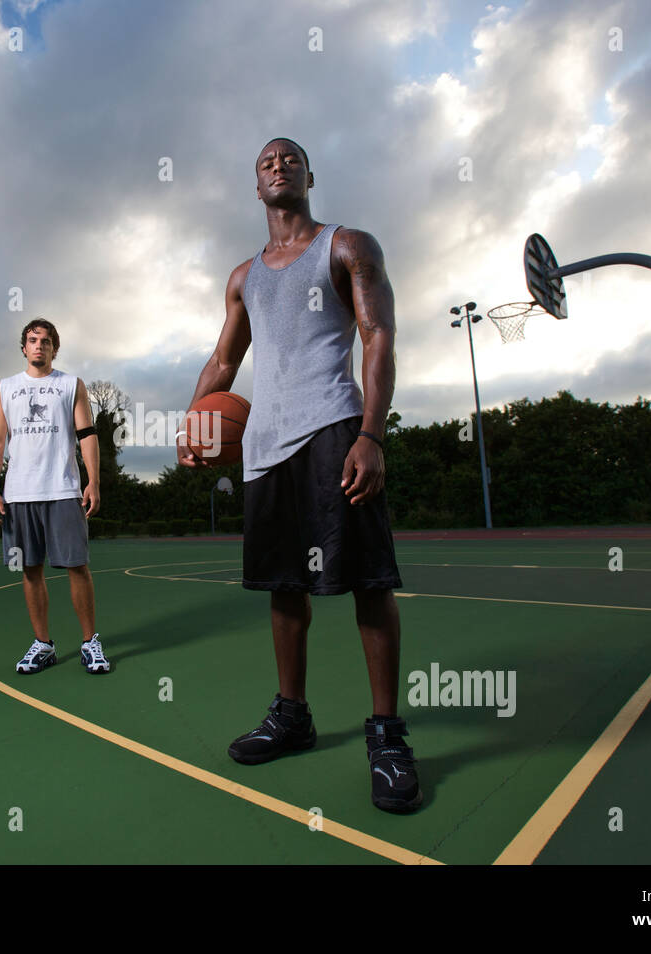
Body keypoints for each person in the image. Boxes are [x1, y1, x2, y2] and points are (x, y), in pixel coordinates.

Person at [177, 138, 418, 812]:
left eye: (290, 159)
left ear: (309, 177)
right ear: (256, 187)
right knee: (284, 589)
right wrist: (193, 423)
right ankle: (293, 715)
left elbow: (379, 337)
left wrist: (372, 432)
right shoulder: (242, 276)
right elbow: (223, 364)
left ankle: (387, 734)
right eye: (265, 162)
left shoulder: (348, 246)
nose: (278, 165)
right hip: (263, 446)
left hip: (335, 428)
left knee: (368, 580)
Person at [0, 318, 110, 674]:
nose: (39, 345)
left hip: (63, 488)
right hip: (20, 493)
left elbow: (86, 433)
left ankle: (90, 642)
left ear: (55, 348)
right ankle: (43, 644)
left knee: (77, 566)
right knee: (30, 569)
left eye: (46, 341)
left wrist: (93, 481)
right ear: (23, 347)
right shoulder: (4, 388)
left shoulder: (71, 385)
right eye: (32, 340)